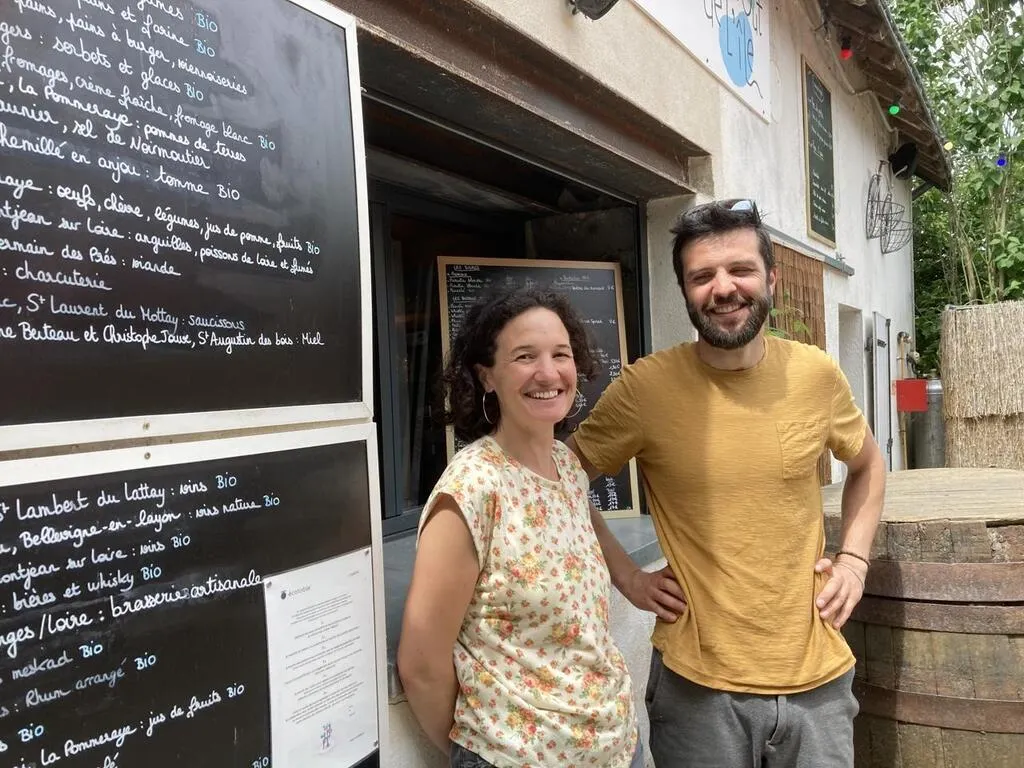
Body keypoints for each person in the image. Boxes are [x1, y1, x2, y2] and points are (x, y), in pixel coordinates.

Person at [566, 199, 887, 768]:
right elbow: (559, 479)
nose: (723, 288)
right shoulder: (646, 388)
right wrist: (627, 577)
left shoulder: (815, 375)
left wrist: (855, 562)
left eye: (740, 269)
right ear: (685, 291)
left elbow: (867, 465)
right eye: (701, 276)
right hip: (698, 691)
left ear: (771, 278)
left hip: (817, 682)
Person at [398, 289, 643, 768]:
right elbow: (421, 666)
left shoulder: (566, 467)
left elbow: (578, 533)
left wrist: (631, 577)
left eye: (561, 355)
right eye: (524, 357)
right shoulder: (471, 490)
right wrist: (486, 750)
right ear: (486, 376)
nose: (548, 373)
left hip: (614, 745)